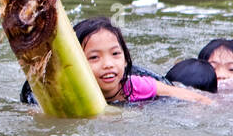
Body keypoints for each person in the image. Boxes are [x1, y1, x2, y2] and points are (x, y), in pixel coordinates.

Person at [71, 17, 212, 105]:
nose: (108, 64)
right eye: (94, 57)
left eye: (115, 54)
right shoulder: (71, 92)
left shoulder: (134, 85)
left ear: (126, 59)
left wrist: (203, 106)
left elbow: (193, 97)